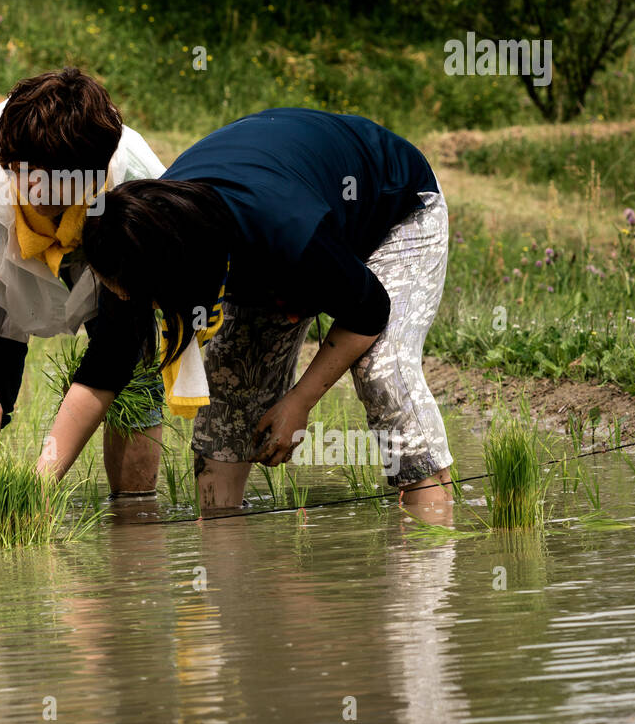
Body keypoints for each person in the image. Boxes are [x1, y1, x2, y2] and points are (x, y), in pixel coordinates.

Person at [35, 107, 452, 511]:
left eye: (147, 297)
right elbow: (107, 366)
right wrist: (34, 489)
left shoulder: (282, 233)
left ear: (174, 272)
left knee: (382, 373)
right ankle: (223, 550)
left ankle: (432, 543)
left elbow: (369, 311)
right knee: (228, 395)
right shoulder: (128, 237)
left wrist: (300, 401)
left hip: (394, 209)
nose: (140, 306)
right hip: (292, 226)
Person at [0, 68, 166, 504]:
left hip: (102, 260)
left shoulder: (133, 175)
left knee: (136, 383)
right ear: (10, 162)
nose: (44, 192)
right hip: (3, 275)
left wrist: (38, 486)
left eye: (63, 180)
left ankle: (134, 527)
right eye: (32, 176)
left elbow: (118, 345)